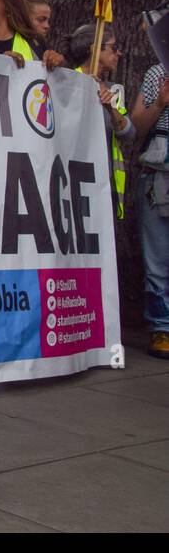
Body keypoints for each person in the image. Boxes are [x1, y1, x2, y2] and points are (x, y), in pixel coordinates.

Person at [58, 23, 134, 221]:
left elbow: (129, 133)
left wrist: (111, 109)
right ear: (94, 48)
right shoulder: (64, 83)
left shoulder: (114, 90)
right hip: (69, 182)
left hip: (103, 186)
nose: (118, 53)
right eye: (114, 47)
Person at [131, 56, 169, 359]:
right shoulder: (157, 72)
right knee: (157, 257)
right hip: (159, 176)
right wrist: (160, 103)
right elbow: (136, 128)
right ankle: (162, 327)